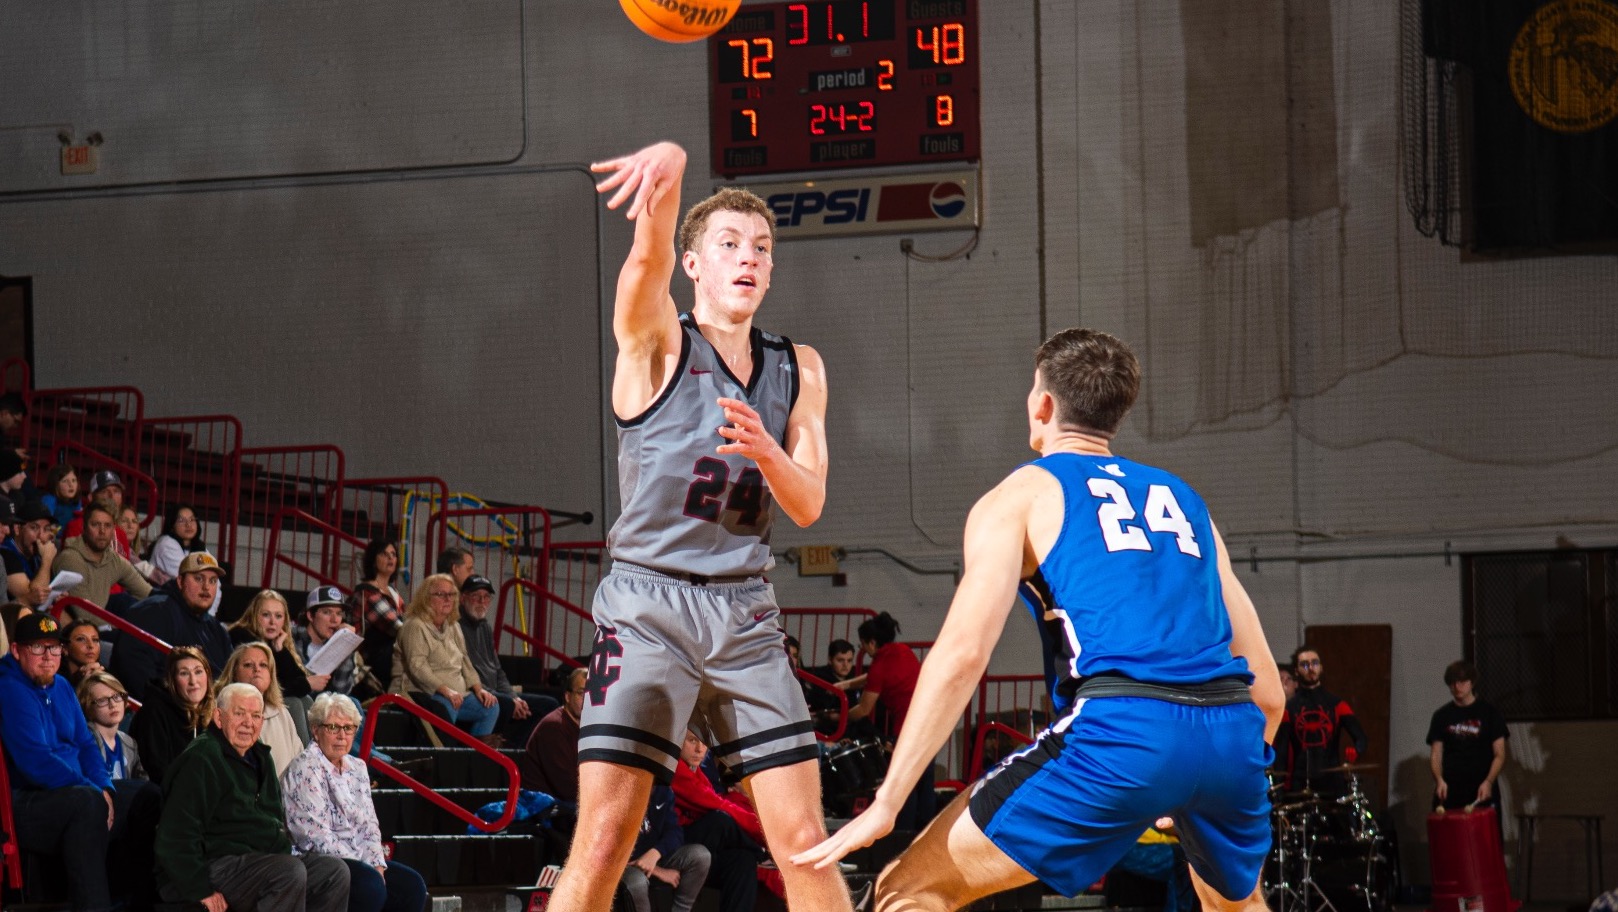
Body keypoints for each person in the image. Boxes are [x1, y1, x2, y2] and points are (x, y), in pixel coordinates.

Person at [794, 328, 1284, 912]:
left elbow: (963, 654)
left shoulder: (1022, 493)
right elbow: (1271, 694)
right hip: (1231, 735)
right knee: (1237, 904)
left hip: (1121, 731)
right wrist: (1204, 772)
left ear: (1043, 405)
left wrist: (888, 800)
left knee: (908, 890)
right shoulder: (1186, 500)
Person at [548, 140, 839, 912]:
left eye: (762, 249)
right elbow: (640, 265)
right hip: (649, 607)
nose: (749, 258)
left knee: (807, 840)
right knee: (606, 840)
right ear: (694, 265)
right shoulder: (657, 344)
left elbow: (808, 503)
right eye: (730, 245)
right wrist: (671, 171)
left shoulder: (797, 365)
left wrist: (770, 451)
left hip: (745, 611)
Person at [0, 613, 162, 912]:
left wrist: (104, 786)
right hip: (26, 801)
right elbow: (36, 763)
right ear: (16, 650)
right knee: (88, 802)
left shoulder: (61, 685)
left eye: (54, 648)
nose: (48, 657)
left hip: (74, 791)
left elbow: (87, 745)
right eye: (37, 648)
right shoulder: (9, 688)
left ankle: (135, 903)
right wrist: (93, 790)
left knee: (145, 795)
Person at [154, 681, 350, 912]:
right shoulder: (201, 759)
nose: (249, 722)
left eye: (256, 716)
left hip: (258, 860)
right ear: (219, 717)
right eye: (240, 714)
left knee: (334, 872)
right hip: (214, 862)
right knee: (288, 872)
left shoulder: (260, 756)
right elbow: (176, 835)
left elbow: (272, 820)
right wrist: (199, 889)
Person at [282, 693, 429, 912]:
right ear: (315, 730)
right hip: (321, 861)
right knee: (370, 886)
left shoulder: (358, 767)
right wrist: (363, 865)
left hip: (359, 858)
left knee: (412, 886)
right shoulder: (305, 767)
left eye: (349, 728)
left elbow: (369, 825)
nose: (342, 735)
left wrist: (376, 863)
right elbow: (314, 837)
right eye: (333, 727)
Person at [845, 612, 932, 830]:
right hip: (930, 721)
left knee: (904, 785)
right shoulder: (903, 651)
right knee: (925, 784)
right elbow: (876, 676)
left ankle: (903, 835)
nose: (864, 651)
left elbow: (864, 709)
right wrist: (845, 686)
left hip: (907, 728)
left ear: (872, 643)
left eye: (863, 646)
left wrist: (841, 716)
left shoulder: (880, 664)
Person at [111, 551, 230, 701]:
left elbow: (228, 678)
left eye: (212, 581)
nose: (206, 587)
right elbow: (135, 670)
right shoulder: (154, 611)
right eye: (198, 579)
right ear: (180, 581)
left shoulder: (217, 630)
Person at [389, 572, 498, 737]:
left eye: (451, 594)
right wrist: (445, 690)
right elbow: (417, 667)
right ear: (426, 598)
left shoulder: (453, 625)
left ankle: (474, 758)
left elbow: (464, 660)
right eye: (441, 594)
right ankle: (447, 756)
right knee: (446, 706)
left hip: (457, 693)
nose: (448, 599)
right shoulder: (415, 626)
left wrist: (478, 689)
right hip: (423, 693)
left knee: (490, 707)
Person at [458, 574, 557, 745]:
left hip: (497, 691)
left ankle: (517, 752)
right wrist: (509, 699)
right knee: (505, 704)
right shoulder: (457, 627)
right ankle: (505, 753)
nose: (482, 601)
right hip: (477, 692)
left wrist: (514, 696)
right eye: (476, 596)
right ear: (463, 598)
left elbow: (497, 670)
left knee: (549, 704)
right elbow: (467, 673)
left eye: (486, 597)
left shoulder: (485, 627)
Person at [1275, 646, 1368, 794]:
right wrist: (1278, 789)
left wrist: (1356, 750)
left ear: (1321, 667)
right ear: (1297, 671)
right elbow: (1281, 753)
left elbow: (1361, 738)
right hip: (1301, 785)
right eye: (1305, 664)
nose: (1311, 668)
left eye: (1315, 663)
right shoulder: (1289, 710)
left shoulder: (1337, 705)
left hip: (1333, 783)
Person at [1427, 661, 1508, 823]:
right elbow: (1436, 755)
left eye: (1462, 682)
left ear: (1472, 683)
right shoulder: (1441, 716)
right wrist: (1439, 780)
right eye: (1452, 683)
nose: (1457, 687)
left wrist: (1488, 781)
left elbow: (1499, 754)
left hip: (1481, 788)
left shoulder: (1489, 713)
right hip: (1451, 789)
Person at [220, 641, 310, 778]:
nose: (257, 669)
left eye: (263, 665)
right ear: (234, 673)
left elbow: (299, 761)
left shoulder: (281, 712)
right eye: (248, 665)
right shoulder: (223, 712)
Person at [130, 645, 215, 785]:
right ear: (172, 680)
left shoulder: (212, 713)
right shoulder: (153, 712)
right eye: (184, 673)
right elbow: (157, 772)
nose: (193, 681)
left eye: (198, 672)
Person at [622, 785, 712, 912]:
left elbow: (675, 832)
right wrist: (657, 870)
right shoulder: (620, 792)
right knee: (636, 882)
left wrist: (656, 852)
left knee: (700, 855)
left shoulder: (662, 790)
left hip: (652, 858)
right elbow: (607, 855)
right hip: (623, 866)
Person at [52, 500, 152, 613]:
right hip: (76, 627)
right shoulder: (71, 558)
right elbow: (87, 615)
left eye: (108, 525)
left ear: (114, 529)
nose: (102, 531)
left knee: (128, 603)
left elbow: (147, 592)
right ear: (84, 527)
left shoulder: (112, 558)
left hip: (101, 624)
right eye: (95, 525)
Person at [231, 589, 329, 698]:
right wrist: (306, 684)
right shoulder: (243, 638)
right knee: (294, 702)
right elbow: (269, 691)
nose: (272, 622)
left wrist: (280, 650)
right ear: (254, 615)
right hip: (244, 699)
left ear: (284, 620)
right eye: (266, 615)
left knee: (305, 700)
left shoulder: (275, 643)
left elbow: (298, 677)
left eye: (278, 616)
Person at [521, 666, 586, 807]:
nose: (588, 700)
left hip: (570, 804)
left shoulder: (586, 728)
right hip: (545, 809)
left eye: (593, 694)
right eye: (581, 693)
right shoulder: (554, 726)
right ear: (568, 696)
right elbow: (568, 788)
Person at [78, 672, 148, 781]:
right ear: (88, 708)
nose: (113, 704)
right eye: (102, 700)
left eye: (116, 696)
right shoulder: (85, 740)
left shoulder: (129, 742)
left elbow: (142, 782)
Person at [296, 586, 361, 696]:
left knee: (353, 702)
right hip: (300, 705)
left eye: (339, 613)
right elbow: (306, 690)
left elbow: (341, 691)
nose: (335, 620)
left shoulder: (338, 642)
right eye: (327, 612)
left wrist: (345, 645)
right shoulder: (293, 639)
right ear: (310, 616)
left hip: (328, 707)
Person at [63, 471, 132, 561]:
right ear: (91, 497)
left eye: (116, 491)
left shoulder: (121, 534)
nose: (112, 496)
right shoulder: (76, 526)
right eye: (104, 491)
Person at [4, 497, 57, 608]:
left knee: (60, 620)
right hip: (13, 621)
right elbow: (32, 598)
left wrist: (55, 596)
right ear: (17, 529)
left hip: (37, 619)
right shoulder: (5, 553)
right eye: (34, 528)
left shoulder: (36, 556)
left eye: (46, 529)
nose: (41, 536)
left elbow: (45, 596)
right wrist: (47, 560)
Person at [148, 503, 207, 585]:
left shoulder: (199, 546)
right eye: (181, 520)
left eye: (192, 519)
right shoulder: (166, 543)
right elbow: (187, 579)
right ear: (172, 525)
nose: (188, 524)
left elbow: (214, 580)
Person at [61, 617, 106, 686]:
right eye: (81, 639)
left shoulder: (106, 675)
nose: (91, 645)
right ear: (65, 648)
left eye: (95, 640)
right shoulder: (55, 680)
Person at [41, 463, 82, 531]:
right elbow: (46, 526)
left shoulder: (77, 500)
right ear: (55, 484)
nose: (71, 485)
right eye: (65, 481)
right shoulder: (49, 500)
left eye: (74, 480)